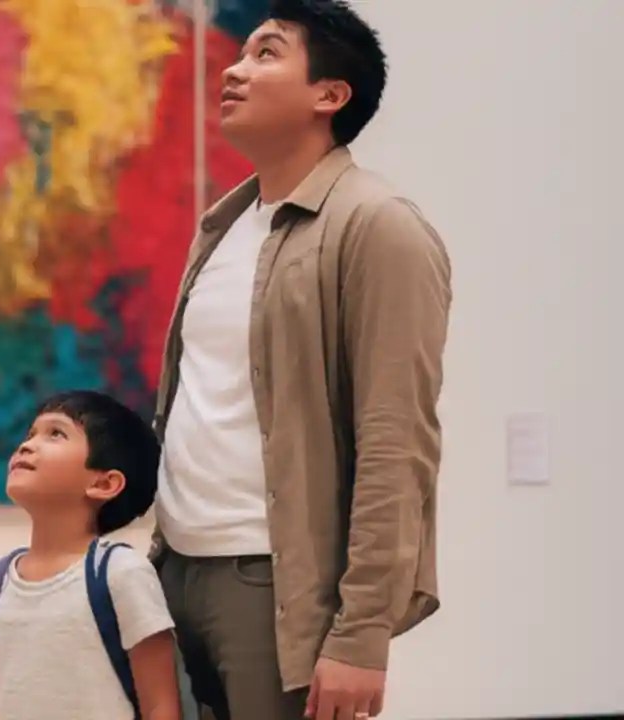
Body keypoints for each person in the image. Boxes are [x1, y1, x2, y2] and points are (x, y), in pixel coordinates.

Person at [149, 1, 452, 720]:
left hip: (276, 590)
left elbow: (396, 440)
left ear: (329, 94)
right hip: (173, 571)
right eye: (241, 52)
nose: (234, 68)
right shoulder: (221, 227)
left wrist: (362, 633)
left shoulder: (379, 226)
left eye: (266, 53)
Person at [0, 390, 181, 720]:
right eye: (30, 434)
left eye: (55, 433)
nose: (26, 445)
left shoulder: (121, 572)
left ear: (105, 484)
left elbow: (161, 706)